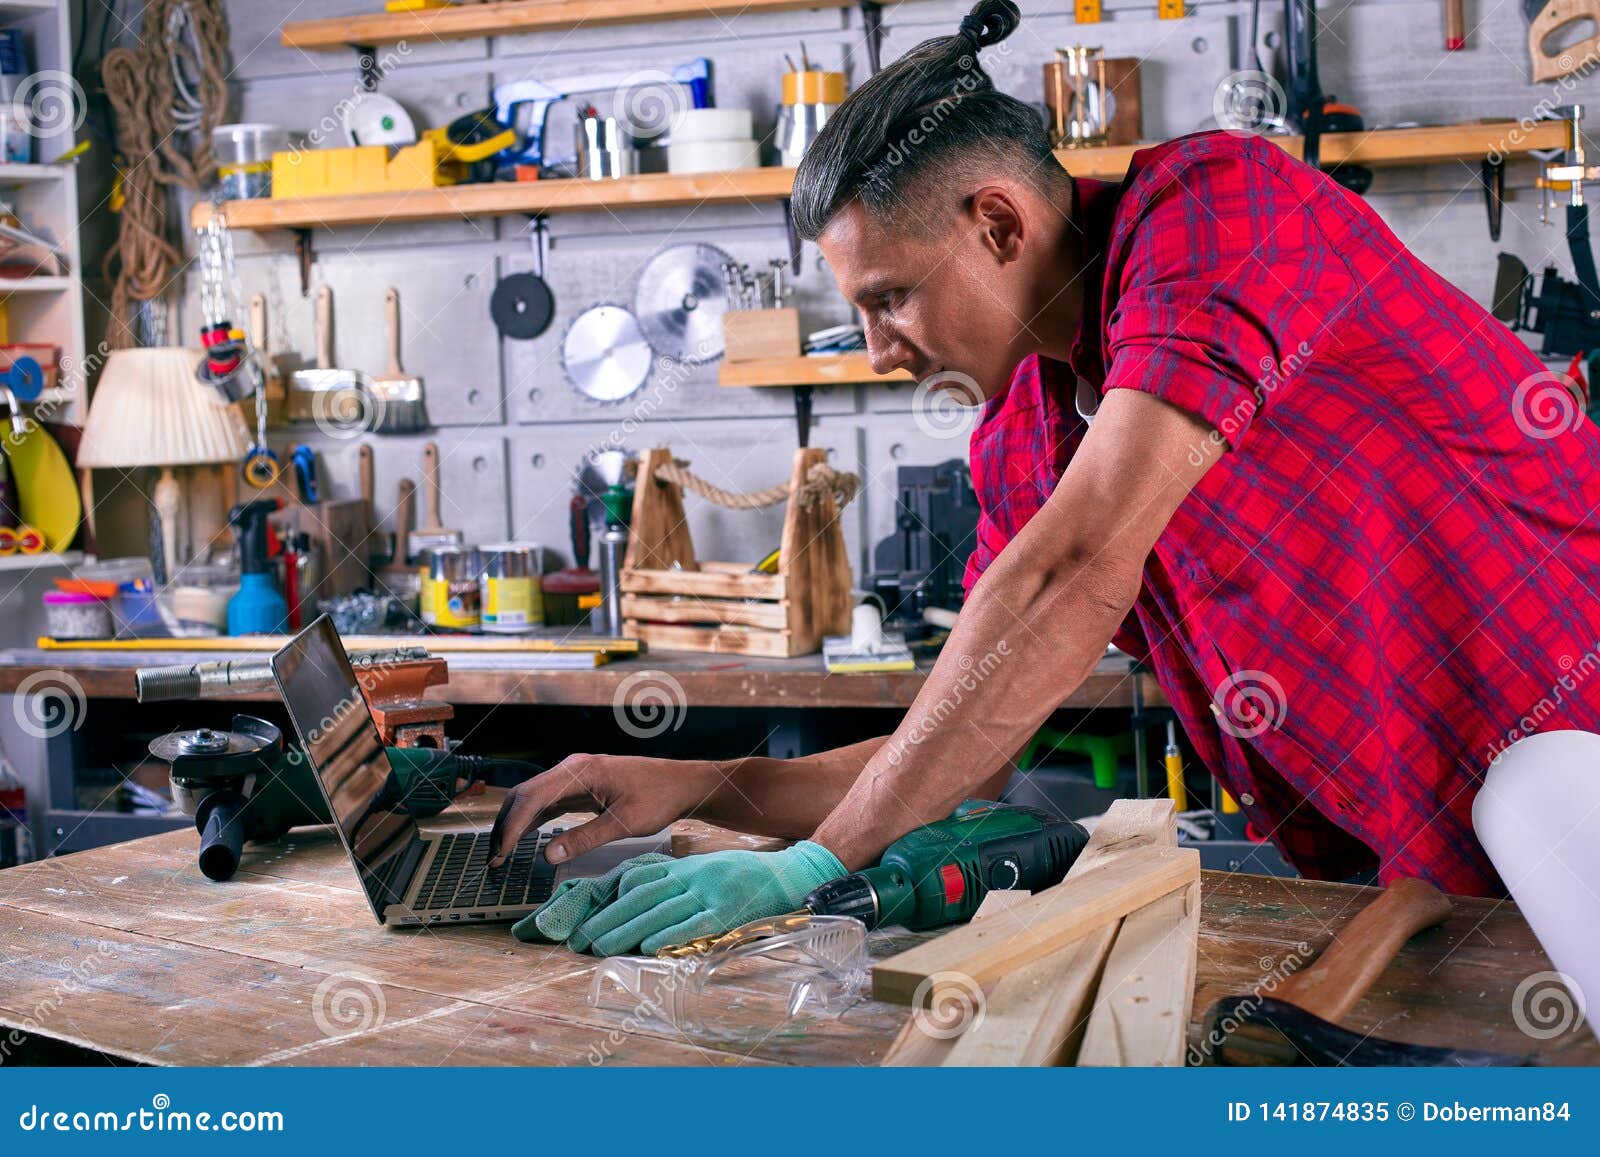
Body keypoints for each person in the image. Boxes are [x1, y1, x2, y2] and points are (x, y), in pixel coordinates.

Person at [491, 0, 1600, 956]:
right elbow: (948, 741)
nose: (878, 347)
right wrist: (705, 787)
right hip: (1430, 865)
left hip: (1576, 763)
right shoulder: (1025, 431)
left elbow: (1074, 567)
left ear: (996, 223)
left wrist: (809, 868)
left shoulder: (1219, 210)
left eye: (889, 297)